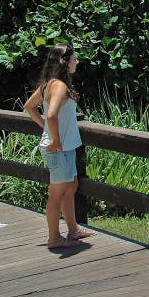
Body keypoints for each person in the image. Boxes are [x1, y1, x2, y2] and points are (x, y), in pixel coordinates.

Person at [23, 44, 95, 249]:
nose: (77, 62)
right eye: (74, 59)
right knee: (56, 194)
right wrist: (54, 138)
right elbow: (52, 114)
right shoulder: (59, 86)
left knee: (70, 187)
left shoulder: (49, 83)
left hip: (66, 147)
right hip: (58, 149)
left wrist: (46, 126)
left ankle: (73, 230)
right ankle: (54, 238)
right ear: (64, 61)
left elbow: (29, 106)